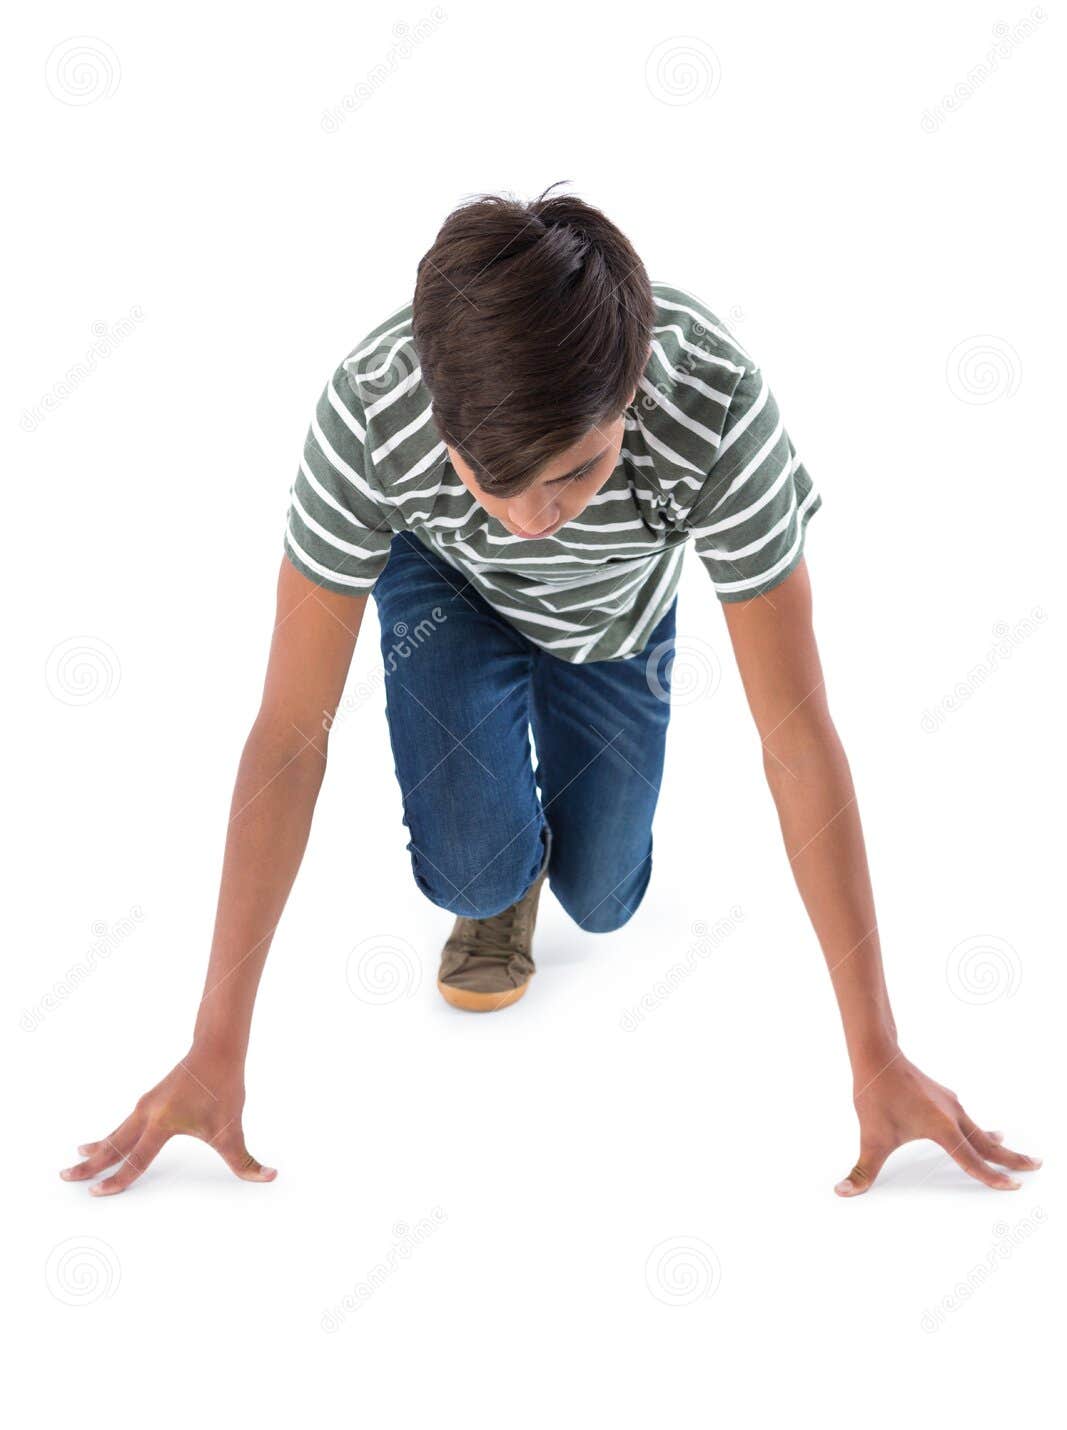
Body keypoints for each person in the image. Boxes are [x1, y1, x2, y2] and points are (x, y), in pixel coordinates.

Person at [60, 186, 1040, 1200]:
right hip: (447, 595)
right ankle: (493, 841)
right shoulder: (369, 405)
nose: (532, 517)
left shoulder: (712, 396)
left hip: (616, 620)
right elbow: (286, 734)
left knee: (604, 899)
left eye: (574, 472)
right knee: (477, 876)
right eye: (490, 475)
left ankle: (549, 818)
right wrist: (214, 1047)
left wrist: (873, 1051)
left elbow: (796, 736)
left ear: (631, 397)